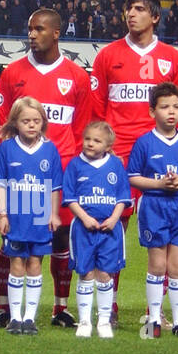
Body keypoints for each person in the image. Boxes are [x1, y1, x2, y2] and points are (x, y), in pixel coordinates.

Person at [91, 0, 178, 320]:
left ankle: (154, 309)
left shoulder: (172, 59)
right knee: (113, 229)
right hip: (116, 157)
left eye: (139, 9)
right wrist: (103, 152)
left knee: (160, 232)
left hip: (157, 157)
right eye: (128, 9)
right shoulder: (107, 56)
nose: (131, 14)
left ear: (155, 17)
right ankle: (110, 303)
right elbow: (97, 109)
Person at [0, 8, 91, 329]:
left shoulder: (76, 77)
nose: (32, 35)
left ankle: (60, 308)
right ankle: (4, 307)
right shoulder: (12, 73)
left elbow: (81, 129)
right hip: (21, 177)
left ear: (56, 32)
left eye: (39, 29)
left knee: (60, 241)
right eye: (30, 29)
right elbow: (4, 124)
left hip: (59, 175)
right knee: (12, 242)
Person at [127, 83, 178, 338]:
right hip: (154, 206)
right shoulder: (144, 143)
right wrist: (160, 184)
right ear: (152, 112)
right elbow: (134, 177)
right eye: (164, 107)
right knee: (157, 264)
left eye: (175, 106)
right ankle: (153, 321)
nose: (171, 112)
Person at [0, 97, 63, 336]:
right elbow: (0, 184)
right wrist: (1, 214)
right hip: (16, 219)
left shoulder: (50, 149)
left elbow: (54, 186)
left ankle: (30, 318)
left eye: (36, 121)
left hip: (40, 218)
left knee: (35, 264)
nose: (31, 125)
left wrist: (54, 214)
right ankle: (15, 317)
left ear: (43, 122)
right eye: (25, 121)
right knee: (17, 264)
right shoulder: (7, 148)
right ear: (15, 123)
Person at [62, 120, 131, 339]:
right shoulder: (75, 165)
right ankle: (84, 321)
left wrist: (113, 218)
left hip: (110, 230)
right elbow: (69, 197)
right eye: (87, 139)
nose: (90, 144)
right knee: (85, 273)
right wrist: (84, 217)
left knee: (105, 274)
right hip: (83, 229)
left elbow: (123, 197)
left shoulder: (116, 165)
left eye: (96, 141)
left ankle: (103, 321)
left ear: (108, 146)